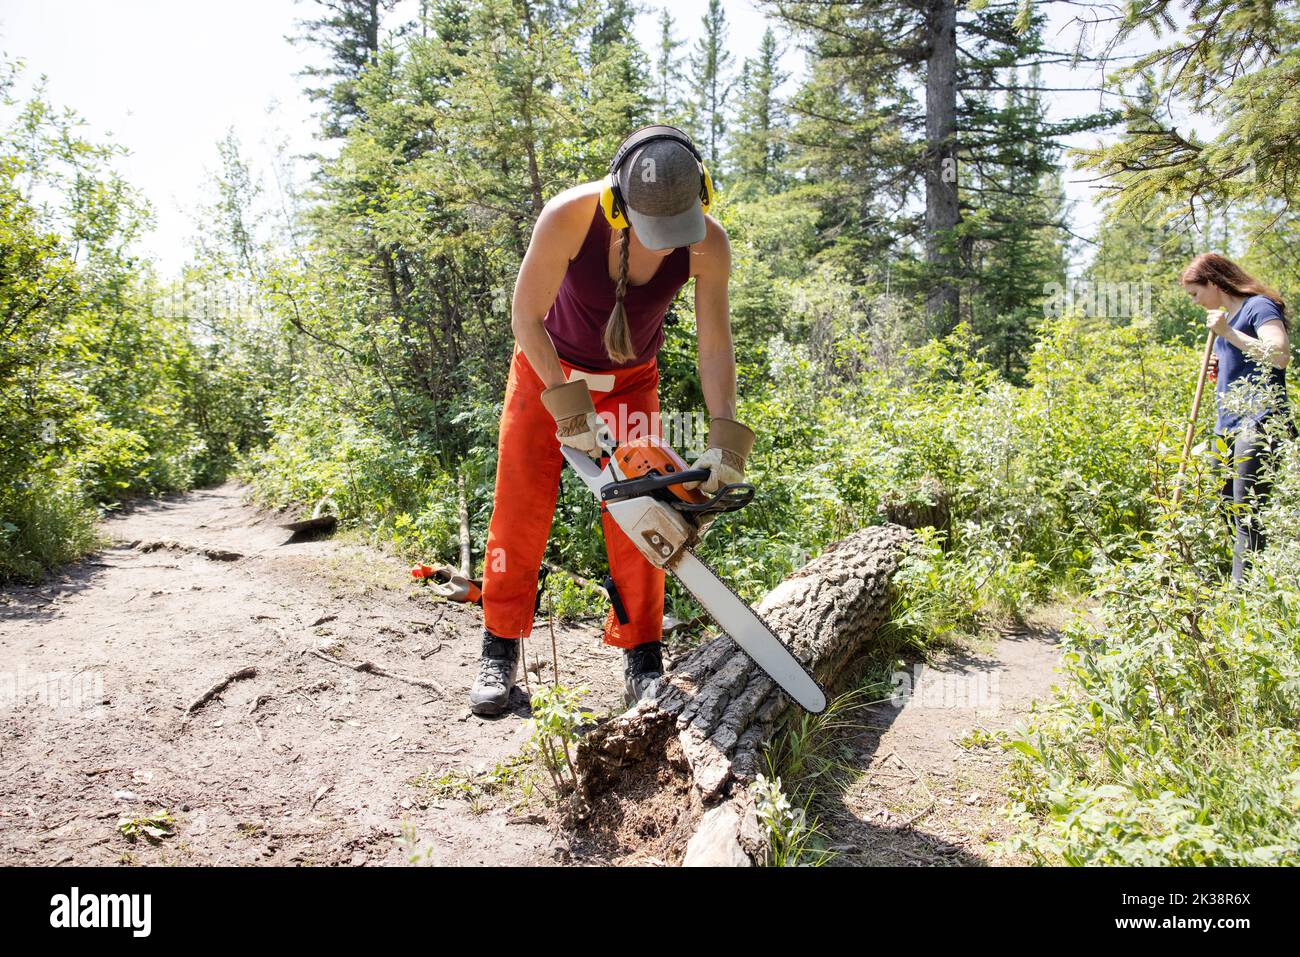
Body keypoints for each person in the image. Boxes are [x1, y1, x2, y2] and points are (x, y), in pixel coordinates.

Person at [469, 125, 755, 716]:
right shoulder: (569, 216)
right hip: (547, 371)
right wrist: (565, 400)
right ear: (615, 203)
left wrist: (725, 438)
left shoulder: (708, 244)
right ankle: (499, 647)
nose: (662, 245)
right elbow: (526, 317)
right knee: (519, 505)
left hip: (630, 383)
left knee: (649, 514)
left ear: (702, 197)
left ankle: (643, 661)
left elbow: (714, 343)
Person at [1180, 253, 1293, 582]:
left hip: (1260, 422)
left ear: (1213, 284)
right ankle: (1257, 584)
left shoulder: (1259, 307)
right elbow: (1244, 364)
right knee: (1227, 508)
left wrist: (1229, 333)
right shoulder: (1226, 318)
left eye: (1195, 294)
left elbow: (1280, 355)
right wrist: (1222, 362)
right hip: (1226, 428)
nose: (1195, 302)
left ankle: (1242, 600)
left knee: (1247, 513)